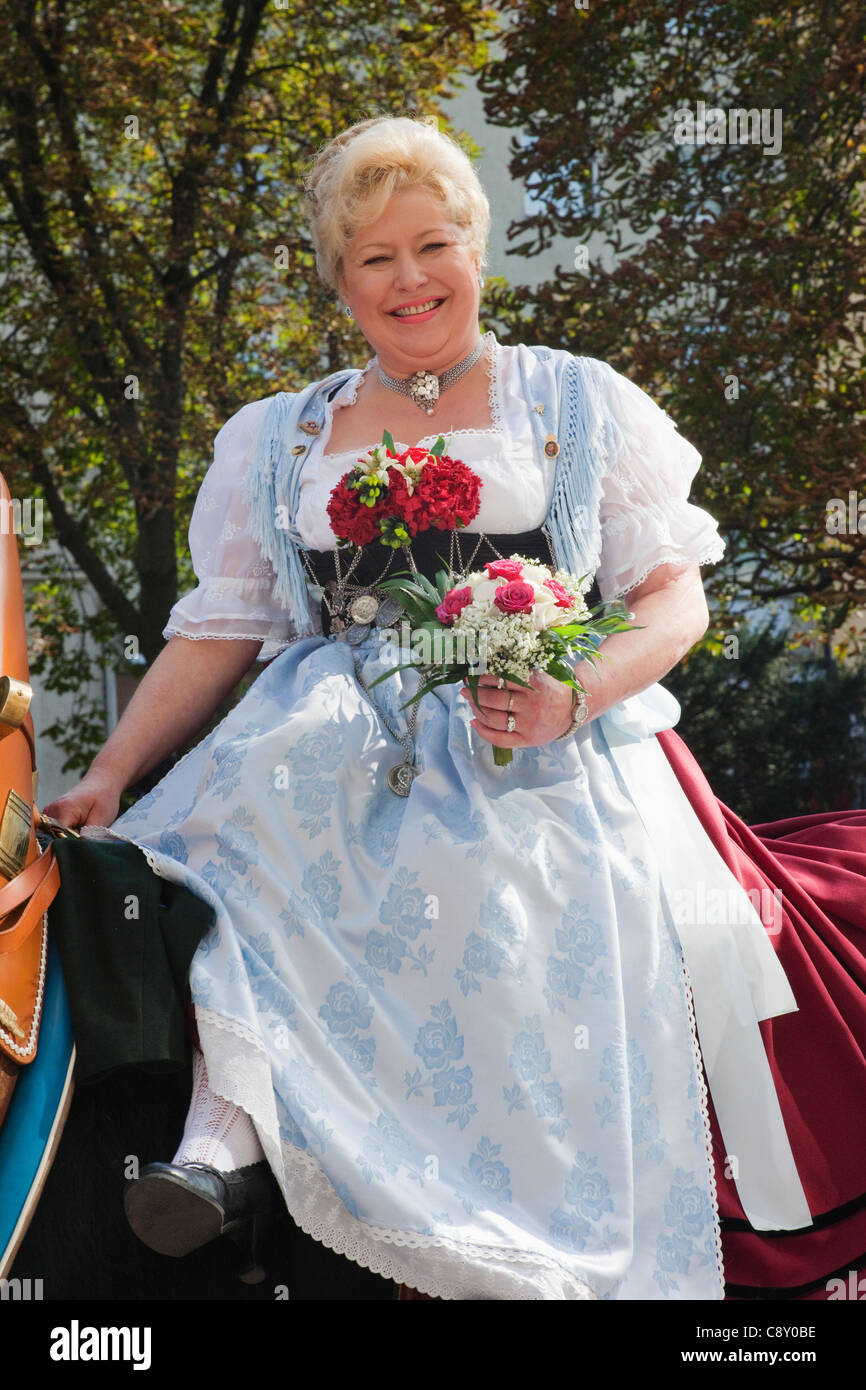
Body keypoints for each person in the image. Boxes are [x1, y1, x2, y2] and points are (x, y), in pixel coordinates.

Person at [43, 115, 866, 1301]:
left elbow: (670, 603)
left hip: (539, 727)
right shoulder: (280, 437)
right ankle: (218, 1145)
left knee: (506, 869)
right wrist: (112, 772)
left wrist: (568, 690)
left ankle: (524, 1235)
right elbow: (218, 628)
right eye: (373, 258)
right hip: (324, 746)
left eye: (431, 245)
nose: (409, 278)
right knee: (212, 850)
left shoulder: (575, 402)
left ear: (477, 253)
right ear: (339, 283)